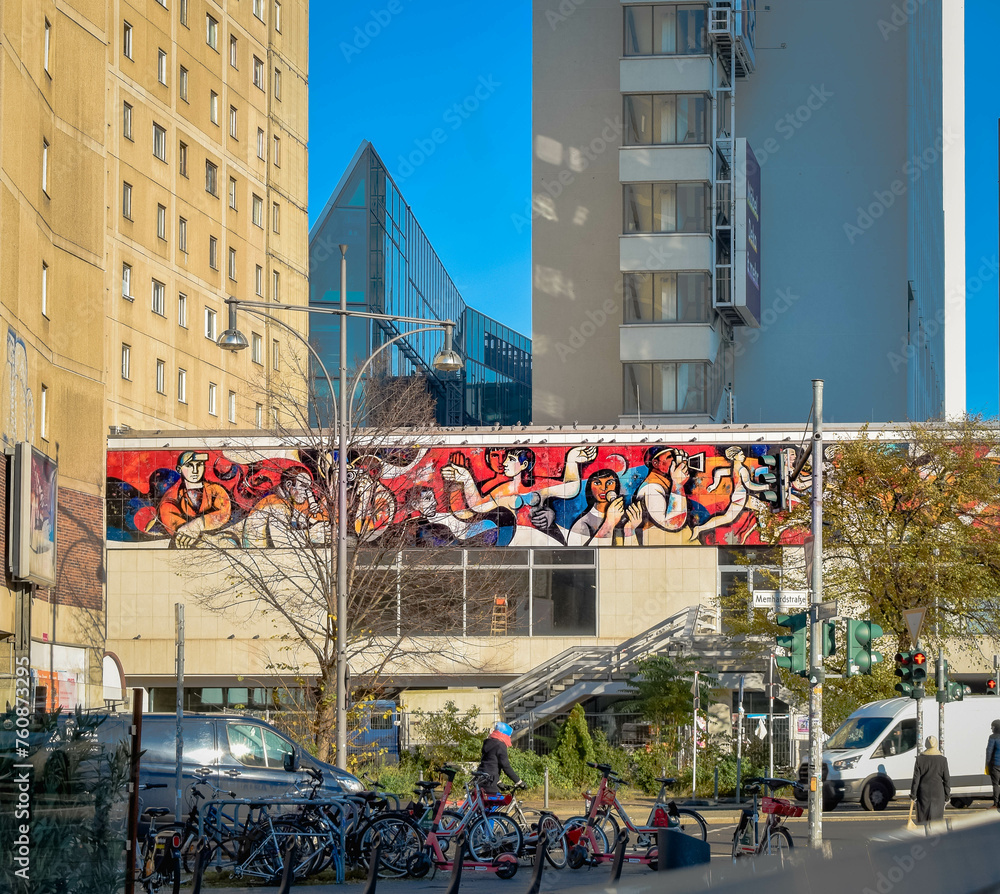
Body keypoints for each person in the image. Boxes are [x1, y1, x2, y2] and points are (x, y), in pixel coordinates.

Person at [910, 736, 950, 825]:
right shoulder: (942, 760)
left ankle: (926, 836)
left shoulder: (919, 760)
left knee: (923, 820)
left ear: (926, 745)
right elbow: (947, 779)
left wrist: (913, 795)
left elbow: (916, 779)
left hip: (923, 794)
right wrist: (947, 795)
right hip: (938, 794)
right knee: (936, 822)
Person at [477, 722, 523, 794]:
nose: (509, 737)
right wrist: (519, 781)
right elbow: (505, 766)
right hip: (490, 781)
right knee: (498, 801)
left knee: (485, 803)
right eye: (508, 735)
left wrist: (498, 782)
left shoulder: (487, 742)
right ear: (504, 735)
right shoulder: (500, 745)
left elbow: (489, 763)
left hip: (481, 777)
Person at [985, 719, 1000, 809]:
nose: (991, 729)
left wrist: (987, 764)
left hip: (995, 765)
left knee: (996, 784)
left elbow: (989, 751)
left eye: (992, 727)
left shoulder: (993, 737)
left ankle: (996, 803)